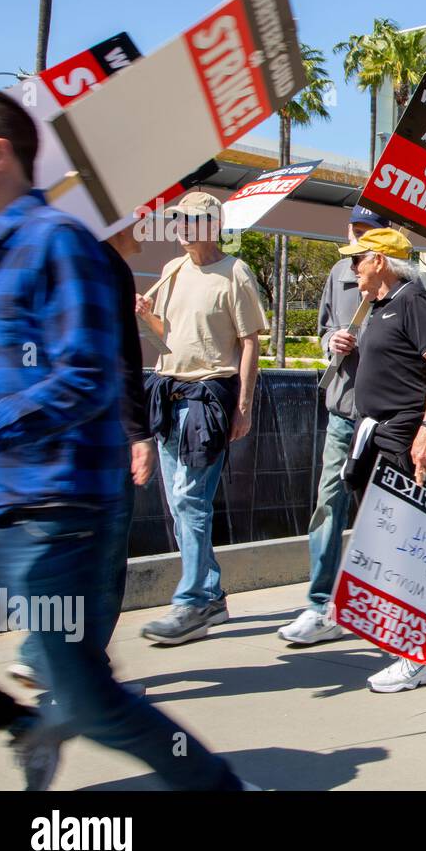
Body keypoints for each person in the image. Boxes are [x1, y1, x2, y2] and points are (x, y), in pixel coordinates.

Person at [0, 88, 245, 790]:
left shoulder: (59, 245)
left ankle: (216, 783)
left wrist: (146, 428)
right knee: (73, 689)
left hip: (53, 512)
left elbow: (89, 375)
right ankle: (27, 726)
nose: (183, 228)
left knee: (88, 697)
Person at [10, 221, 156, 689]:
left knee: (59, 542)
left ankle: (44, 651)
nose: (144, 219)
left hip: (44, 427)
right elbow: (121, 358)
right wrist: (139, 433)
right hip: (100, 431)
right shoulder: (105, 265)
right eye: (137, 213)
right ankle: (63, 662)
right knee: (106, 550)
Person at [135, 191, 267, 645]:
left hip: (208, 396)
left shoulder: (235, 273)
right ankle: (208, 595)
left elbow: (250, 342)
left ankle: (191, 602)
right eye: (179, 221)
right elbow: (170, 337)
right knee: (180, 503)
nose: (182, 228)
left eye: (191, 221)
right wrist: (149, 317)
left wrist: (243, 407)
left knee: (189, 499)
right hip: (168, 391)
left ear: (212, 225)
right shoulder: (172, 270)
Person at [340, 227, 426, 693]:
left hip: (403, 437)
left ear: (382, 261)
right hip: (378, 435)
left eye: (358, 260)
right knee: (389, 541)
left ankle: (420, 657)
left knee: (401, 546)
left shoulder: (412, 300)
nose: (353, 270)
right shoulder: (380, 307)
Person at [278, 205, 389, 646]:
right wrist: (332, 341)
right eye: (353, 228)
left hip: (384, 416)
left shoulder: (404, 281)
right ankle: (320, 604)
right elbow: (325, 328)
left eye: (365, 231)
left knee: (383, 510)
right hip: (342, 410)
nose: (355, 237)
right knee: (328, 504)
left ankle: (391, 597)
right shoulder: (335, 276)